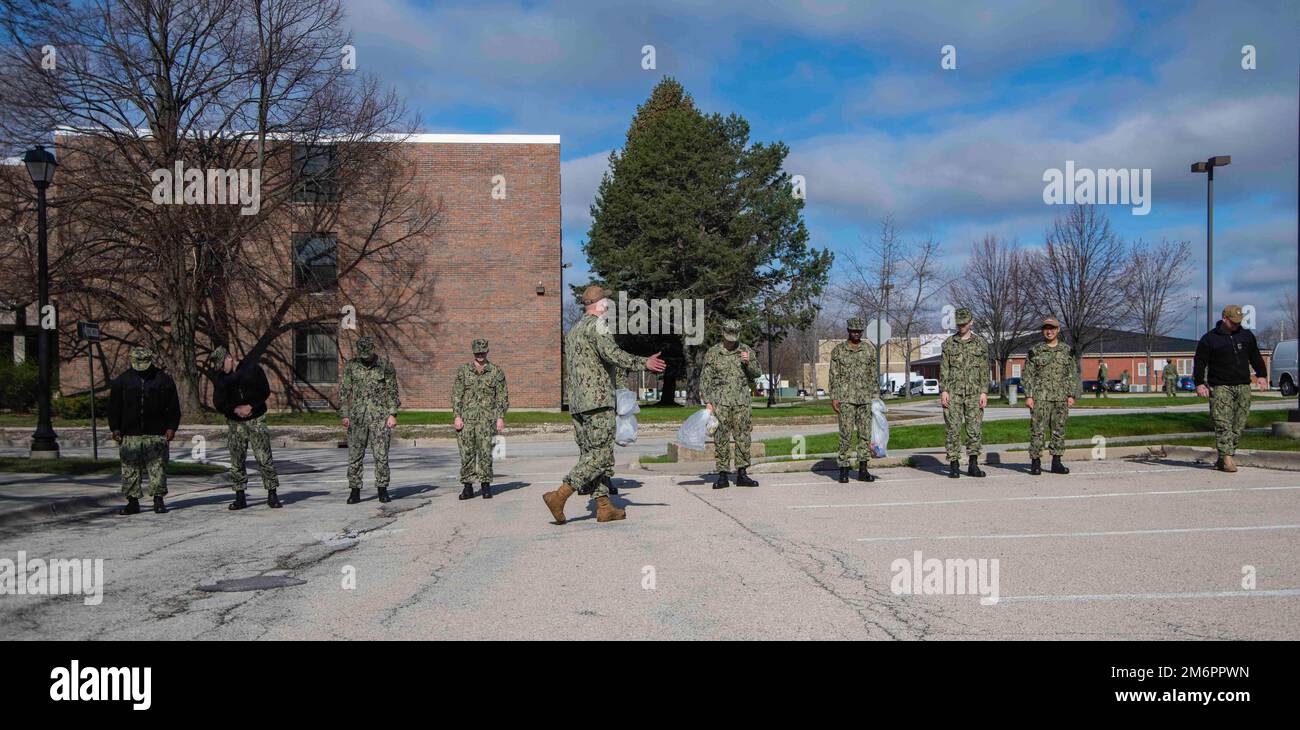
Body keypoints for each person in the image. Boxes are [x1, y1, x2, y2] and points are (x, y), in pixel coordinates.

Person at [542, 285, 665, 524]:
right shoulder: (599, 326)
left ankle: (604, 506)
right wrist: (644, 363)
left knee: (589, 454)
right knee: (600, 456)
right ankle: (559, 496)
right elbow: (614, 354)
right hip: (597, 402)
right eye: (608, 302)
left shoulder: (575, 330)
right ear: (602, 305)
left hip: (578, 403)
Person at [1193, 305, 1268, 473]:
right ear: (1224, 318)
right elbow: (1200, 362)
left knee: (1239, 424)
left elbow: (1255, 356)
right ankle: (1227, 458)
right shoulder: (1210, 339)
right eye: (1233, 322)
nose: (1236, 325)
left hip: (1243, 385)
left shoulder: (1246, 336)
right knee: (1222, 423)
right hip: (1220, 386)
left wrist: (1261, 375)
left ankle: (1223, 455)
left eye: (1238, 322)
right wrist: (1199, 383)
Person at [108, 346, 181, 514]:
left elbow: (173, 407)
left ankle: (158, 500)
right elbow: (114, 407)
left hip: (156, 433)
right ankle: (132, 501)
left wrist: (171, 427)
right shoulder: (122, 382)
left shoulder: (163, 380)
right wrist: (115, 428)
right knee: (130, 469)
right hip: (130, 433)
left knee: (157, 468)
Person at [209, 345, 281, 510]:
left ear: (229, 358)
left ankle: (272, 493)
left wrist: (251, 406)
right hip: (235, 424)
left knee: (264, 458)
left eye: (222, 364)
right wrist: (234, 409)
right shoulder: (220, 379)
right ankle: (240, 496)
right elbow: (218, 403)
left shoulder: (250, 369)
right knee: (237, 460)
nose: (221, 369)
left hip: (256, 419)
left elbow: (264, 390)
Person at [701, 319, 762, 489]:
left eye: (734, 337)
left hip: (741, 402)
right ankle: (722, 475)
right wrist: (708, 402)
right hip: (720, 403)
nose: (731, 341)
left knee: (743, 437)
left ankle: (742, 473)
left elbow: (757, 373)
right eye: (728, 337)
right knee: (721, 438)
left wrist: (749, 362)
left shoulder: (746, 351)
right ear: (723, 333)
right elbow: (705, 379)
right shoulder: (713, 353)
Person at [339, 336, 400, 503]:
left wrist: (392, 414)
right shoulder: (352, 366)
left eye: (368, 354)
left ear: (373, 350)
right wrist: (344, 414)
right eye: (362, 355)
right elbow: (344, 391)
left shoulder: (385, 365)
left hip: (380, 417)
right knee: (355, 455)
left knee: (381, 455)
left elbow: (392, 391)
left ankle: (382, 489)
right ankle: (355, 490)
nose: (365, 358)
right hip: (358, 417)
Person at [452, 339, 508, 500]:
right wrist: (457, 416)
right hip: (466, 419)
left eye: (483, 352)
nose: (480, 355)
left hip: (487, 420)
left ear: (487, 351)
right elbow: (457, 395)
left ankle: (485, 485)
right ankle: (468, 487)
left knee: (485, 453)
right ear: (473, 352)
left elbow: (502, 396)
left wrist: (500, 417)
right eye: (477, 353)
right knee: (467, 453)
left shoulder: (496, 371)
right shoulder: (463, 371)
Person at [1023, 316, 1079, 475]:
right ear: (1043, 330)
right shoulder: (1035, 351)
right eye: (1046, 328)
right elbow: (1028, 374)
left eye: (1052, 328)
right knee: (1037, 430)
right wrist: (1029, 395)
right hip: (1040, 397)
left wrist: (1071, 394)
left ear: (1058, 330)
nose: (1049, 331)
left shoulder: (1067, 351)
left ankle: (1056, 462)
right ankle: (1035, 462)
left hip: (1060, 397)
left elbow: (1071, 374)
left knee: (1058, 430)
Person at [940, 308, 989, 479]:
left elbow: (984, 369)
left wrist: (984, 391)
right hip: (953, 392)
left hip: (974, 393)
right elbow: (944, 369)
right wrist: (944, 390)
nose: (962, 326)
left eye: (965, 323)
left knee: (974, 429)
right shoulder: (948, 344)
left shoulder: (981, 344)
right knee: (952, 429)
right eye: (959, 323)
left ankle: (973, 464)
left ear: (971, 322)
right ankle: (953, 464)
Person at [828, 317, 878, 483]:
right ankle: (843, 469)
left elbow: (873, 375)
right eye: (853, 331)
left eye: (859, 331)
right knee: (845, 434)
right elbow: (833, 376)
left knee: (865, 435)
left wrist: (875, 397)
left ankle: (863, 469)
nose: (856, 334)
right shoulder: (839, 351)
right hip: (845, 398)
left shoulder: (869, 350)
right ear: (848, 331)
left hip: (865, 398)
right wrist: (834, 397)